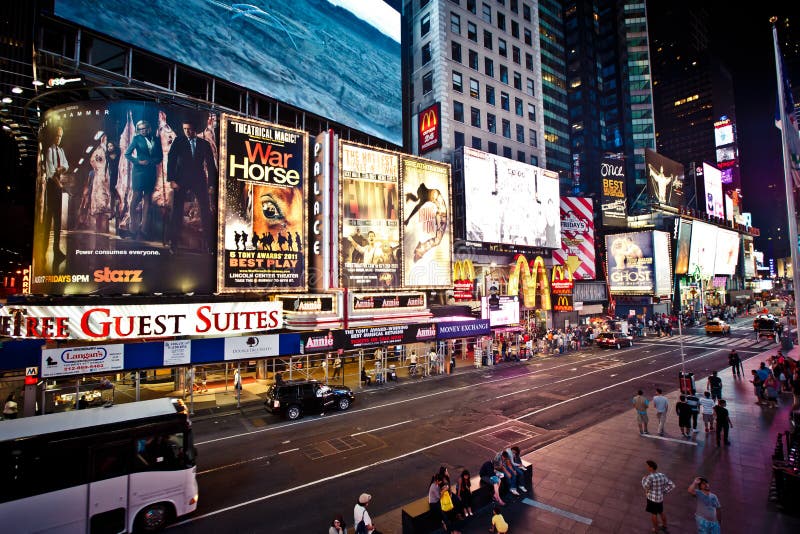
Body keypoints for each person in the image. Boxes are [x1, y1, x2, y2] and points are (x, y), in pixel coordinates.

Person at [166, 121, 217, 254]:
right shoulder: (179, 141)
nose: (187, 132)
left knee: (206, 211)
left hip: (199, 180)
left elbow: (211, 165)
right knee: (177, 211)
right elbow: (171, 159)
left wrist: (211, 184)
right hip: (181, 179)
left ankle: (210, 245)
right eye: (184, 129)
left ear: (194, 129)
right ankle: (173, 243)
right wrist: (171, 180)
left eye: (189, 129)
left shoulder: (204, 144)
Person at [124, 120, 163, 240]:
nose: (143, 131)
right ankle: (132, 228)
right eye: (141, 129)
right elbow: (127, 154)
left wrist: (152, 161)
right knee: (136, 197)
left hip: (151, 171)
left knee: (148, 199)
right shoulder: (136, 139)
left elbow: (160, 156)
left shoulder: (156, 139)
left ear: (149, 128)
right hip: (139, 172)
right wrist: (138, 161)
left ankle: (144, 229)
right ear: (138, 130)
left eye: (145, 128)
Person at [43, 126, 70, 262]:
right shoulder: (50, 150)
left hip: (58, 184)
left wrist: (62, 168)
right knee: (49, 217)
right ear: (53, 136)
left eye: (60, 136)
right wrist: (58, 182)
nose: (58, 139)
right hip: (52, 185)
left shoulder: (61, 150)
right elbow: (50, 171)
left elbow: (66, 165)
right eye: (57, 136)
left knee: (58, 219)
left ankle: (56, 250)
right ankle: (43, 249)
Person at [642, 460, 675, 533]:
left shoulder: (650, 477)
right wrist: (664, 491)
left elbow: (645, 486)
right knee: (661, 512)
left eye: (648, 466)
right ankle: (665, 525)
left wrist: (643, 479)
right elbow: (672, 485)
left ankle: (655, 529)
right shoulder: (662, 475)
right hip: (660, 499)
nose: (647, 467)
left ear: (651, 468)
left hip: (652, 499)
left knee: (654, 514)